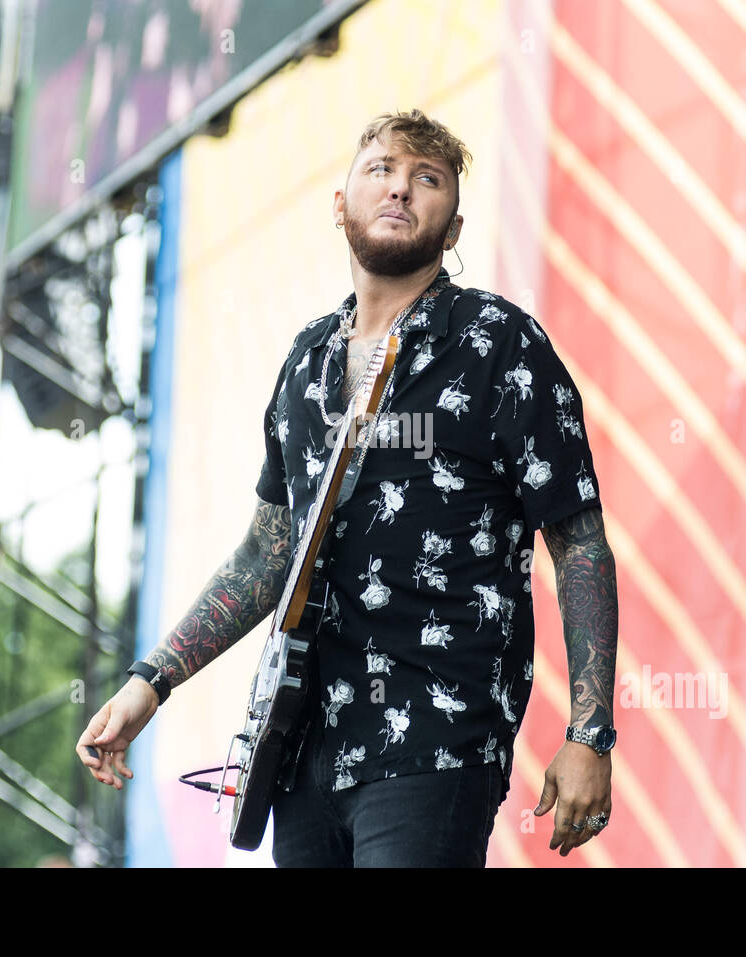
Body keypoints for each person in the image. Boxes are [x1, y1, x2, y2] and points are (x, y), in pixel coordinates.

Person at [77, 108, 618, 867]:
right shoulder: (306, 367)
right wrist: (150, 681)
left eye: (426, 179)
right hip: (303, 748)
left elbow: (580, 541)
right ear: (341, 206)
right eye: (381, 171)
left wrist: (589, 732)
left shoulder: (501, 344)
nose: (400, 189)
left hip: (438, 731)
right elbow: (266, 557)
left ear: (454, 227)